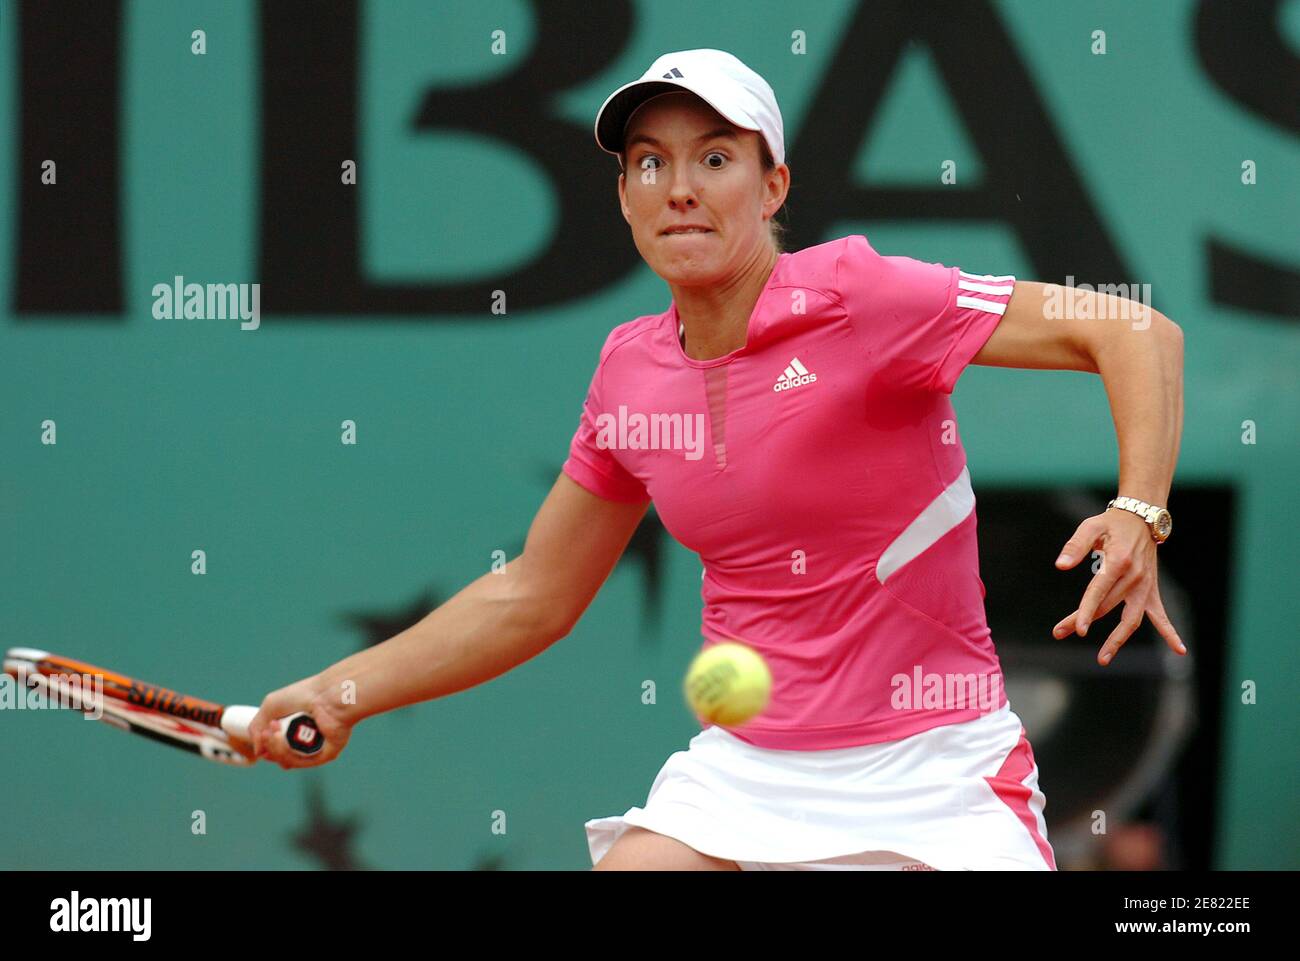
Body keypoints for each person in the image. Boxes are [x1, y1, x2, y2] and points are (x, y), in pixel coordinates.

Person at [249, 48, 1186, 871]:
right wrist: (342, 692)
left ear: (772, 186)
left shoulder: (860, 297)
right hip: (748, 772)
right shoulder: (629, 372)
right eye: (649, 163)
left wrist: (1139, 510)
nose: (679, 187)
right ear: (624, 198)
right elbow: (533, 593)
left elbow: (1136, 330)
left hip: (936, 766)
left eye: (714, 158)